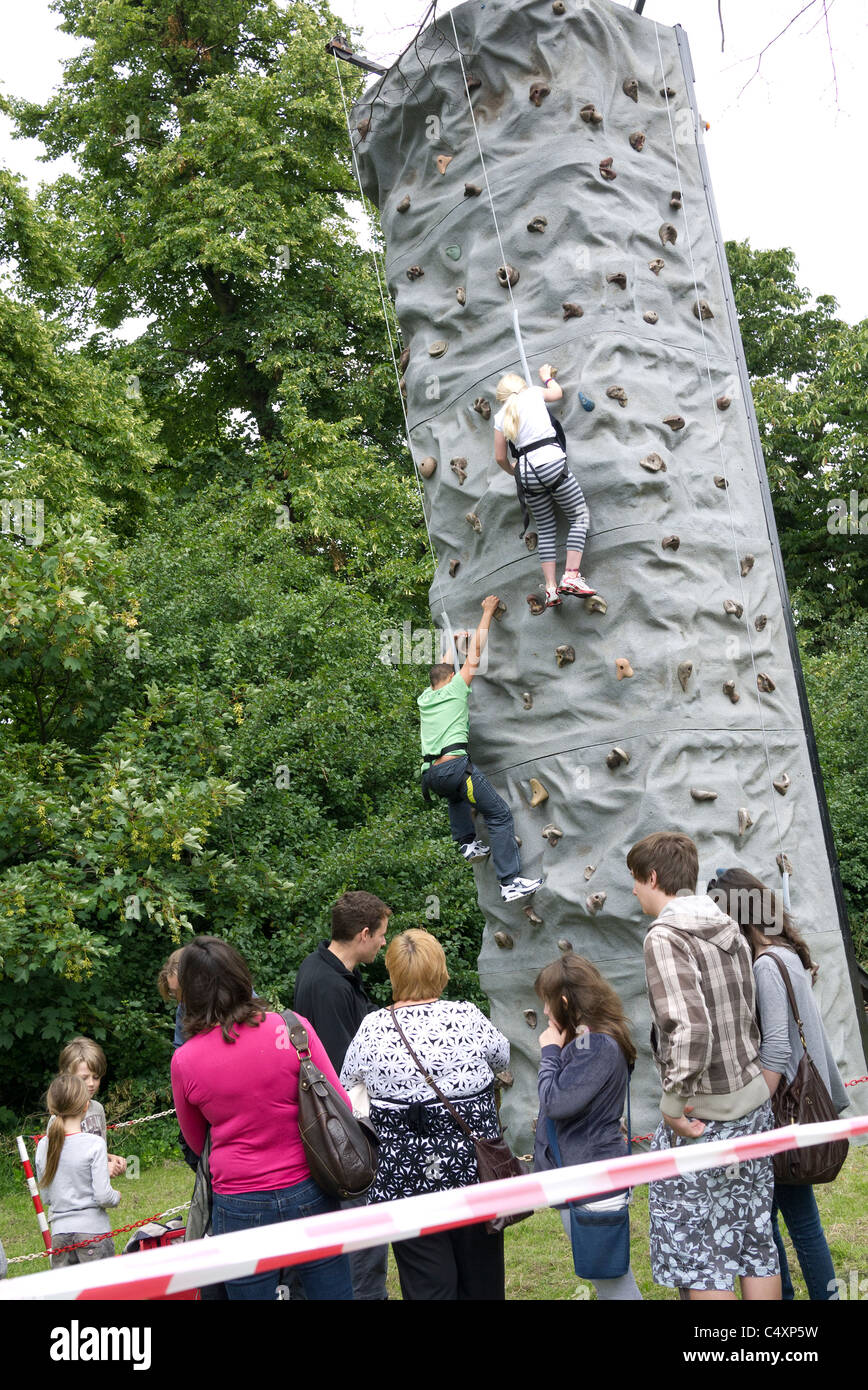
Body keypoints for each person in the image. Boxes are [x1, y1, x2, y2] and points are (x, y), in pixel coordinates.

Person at [628, 830, 780, 1300]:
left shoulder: (665, 936)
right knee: (754, 1239)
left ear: (653, 877)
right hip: (752, 1106)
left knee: (701, 1256)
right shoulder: (729, 925)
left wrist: (673, 1105)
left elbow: (690, 1028)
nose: (634, 891)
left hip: (702, 1116)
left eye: (635, 880)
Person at [171, 934, 353, 1301]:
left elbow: (195, 1140)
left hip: (237, 1198)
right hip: (309, 1184)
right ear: (241, 976)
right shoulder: (291, 1027)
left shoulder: (185, 1060)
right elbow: (341, 1104)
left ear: (188, 993)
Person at [340, 929, 509, 1301]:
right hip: (474, 1173)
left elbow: (346, 1082)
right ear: (441, 970)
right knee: (482, 1282)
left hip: (408, 1182)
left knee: (427, 1287)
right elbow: (501, 1058)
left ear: (393, 974)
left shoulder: (373, 1028)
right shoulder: (467, 1016)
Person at [709, 866, 848, 1301]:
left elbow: (777, 1050)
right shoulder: (786, 953)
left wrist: (746, 1105)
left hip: (781, 1113)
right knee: (775, 1217)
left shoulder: (768, 964)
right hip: (795, 1109)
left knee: (780, 1221)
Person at [294, 890, 392, 1301]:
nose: (386, 942)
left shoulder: (332, 971)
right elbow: (340, 1071)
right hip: (344, 1128)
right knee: (361, 1230)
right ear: (364, 934)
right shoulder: (328, 986)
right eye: (382, 935)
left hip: (339, 1123)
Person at [534, 953, 643, 1300]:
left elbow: (555, 1103)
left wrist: (549, 1052)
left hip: (590, 1178)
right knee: (607, 1280)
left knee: (613, 1285)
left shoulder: (593, 1045)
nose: (546, 1014)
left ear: (564, 1001)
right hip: (584, 1174)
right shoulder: (590, 1039)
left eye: (548, 1004)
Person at [419, 596, 542, 904]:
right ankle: (510, 881)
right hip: (456, 769)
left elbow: (444, 669)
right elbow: (476, 653)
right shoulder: (457, 686)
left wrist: (452, 646)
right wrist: (486, 613)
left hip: (431, 776)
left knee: (456, 794)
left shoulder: (425, 698)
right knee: (499, 814)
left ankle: (466, 843)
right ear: (450, 677)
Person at [494, 364, 595, 609]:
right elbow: (558, 393)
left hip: (527, 473)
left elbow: (500, 457)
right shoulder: (534, 393)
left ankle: (551, 589)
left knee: (547, 529)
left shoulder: (500, 417)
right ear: (521, 387)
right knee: (579, 516)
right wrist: (547, 378)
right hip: (550, 462)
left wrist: (515, 472)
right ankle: (570, 576)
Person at [35, 1073, 121, 1268]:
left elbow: (47, 1197)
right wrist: (116, 1196)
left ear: (51, 1109)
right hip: (94, 1233)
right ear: (85, 1107)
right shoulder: (95, 1144)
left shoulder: (42, 1146)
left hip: (59, 1236)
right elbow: (103, 1196)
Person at [57, 1037, 126, 1179]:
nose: (91, 1083)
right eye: (84, 1078)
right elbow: (63, 1164)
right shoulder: (60, 1117)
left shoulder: (98, 1109)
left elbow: (94, 1152)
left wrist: (110, 1159)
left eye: (96, 1077)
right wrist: (101, 1168)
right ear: (67, 1077)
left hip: (98, 1193)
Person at [157, 947, 186, 1049]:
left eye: (181, 991)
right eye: (174, 993)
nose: (181, 1000)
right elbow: (180, 1047)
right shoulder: (183, 1009)